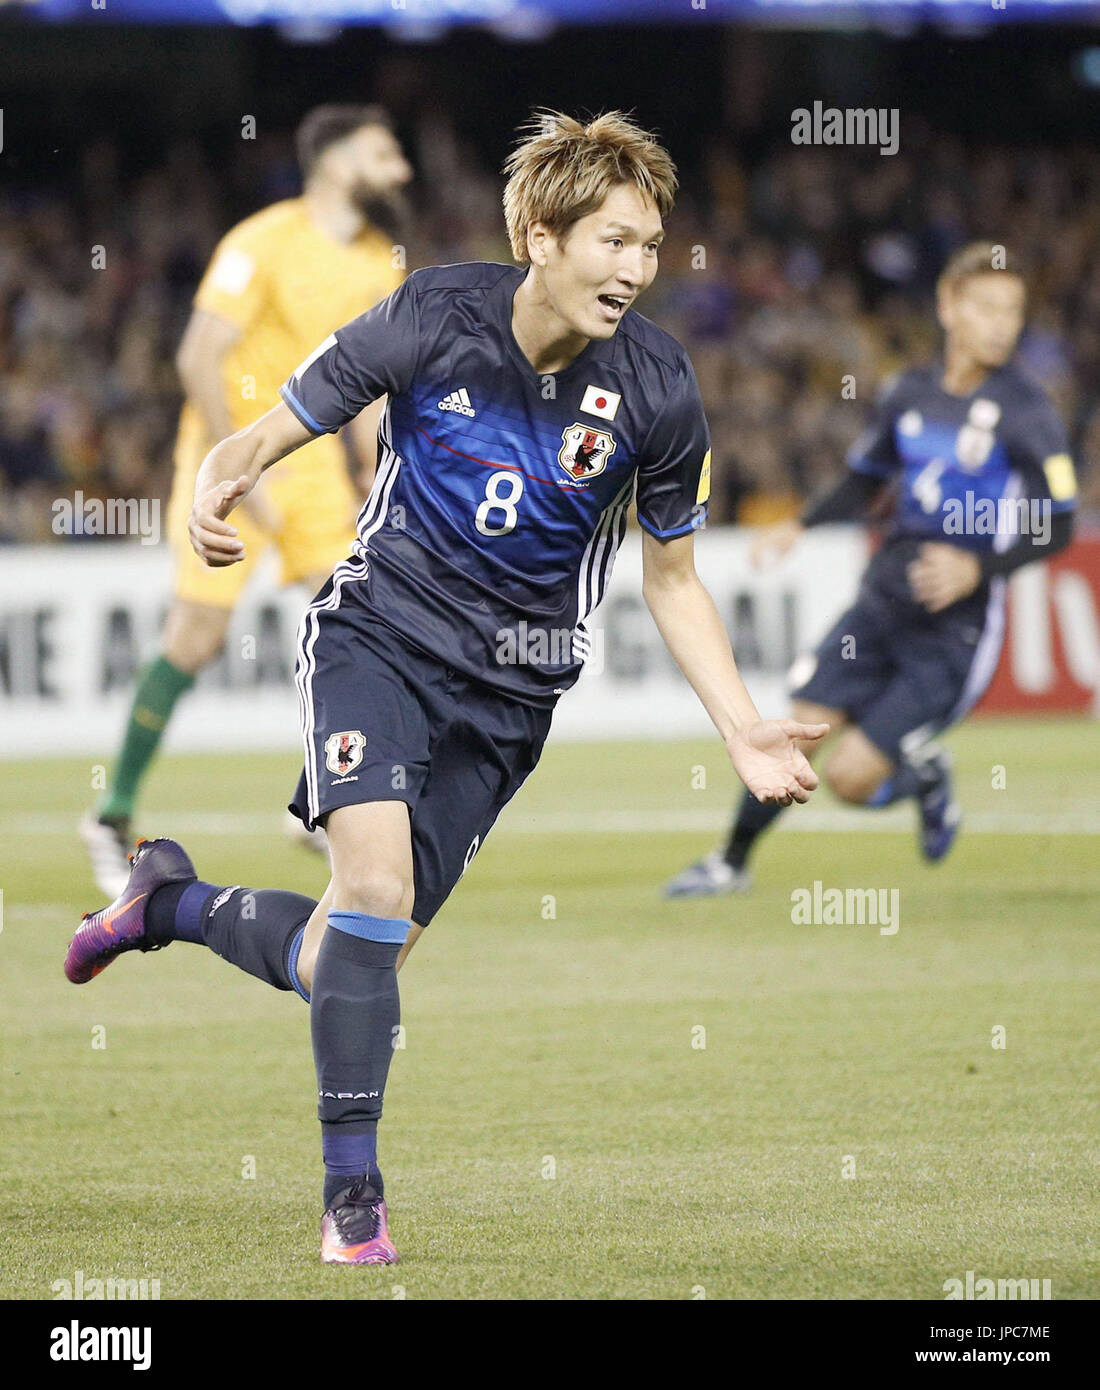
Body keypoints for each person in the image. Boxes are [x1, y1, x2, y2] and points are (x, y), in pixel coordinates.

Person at [65, 111, 826, 1265]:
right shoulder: (431, 312)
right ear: (539, 237)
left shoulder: (659, 386)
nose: (634, 269)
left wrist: (739, 726)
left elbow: (671, 580)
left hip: (510, 702)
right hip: (378, 636)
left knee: (343, 957)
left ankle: (165, 902)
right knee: (371, 886)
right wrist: (221, 477)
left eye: (647, 245)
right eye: (612, 240)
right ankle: (352, 1199)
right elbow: (280, 420)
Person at [664, 242, 1077, 899]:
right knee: (799, 729)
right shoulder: (909, 392)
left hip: (954, 627)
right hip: (883, 601)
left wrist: (979, 567)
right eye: (987, 307)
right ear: (947, 307)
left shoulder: (1029, 410)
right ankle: (730, 863)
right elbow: (864, 480)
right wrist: (800, 524)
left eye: (1013, 311)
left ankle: (925, 777)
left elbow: (1060, 524)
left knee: (850, 781)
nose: (1002, 324)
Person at [81, 105, 413, 895]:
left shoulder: (381, 261)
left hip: (315, 467)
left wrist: (372, 471)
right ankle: (111, 814)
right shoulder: (261, 241)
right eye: (384, 153)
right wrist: (238, 470)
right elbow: (198, 356)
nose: (401, 169)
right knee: (196, 639)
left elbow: (367, 388)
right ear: (336, 162)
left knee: (372, 625)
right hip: (228, 456)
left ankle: (316, 806)